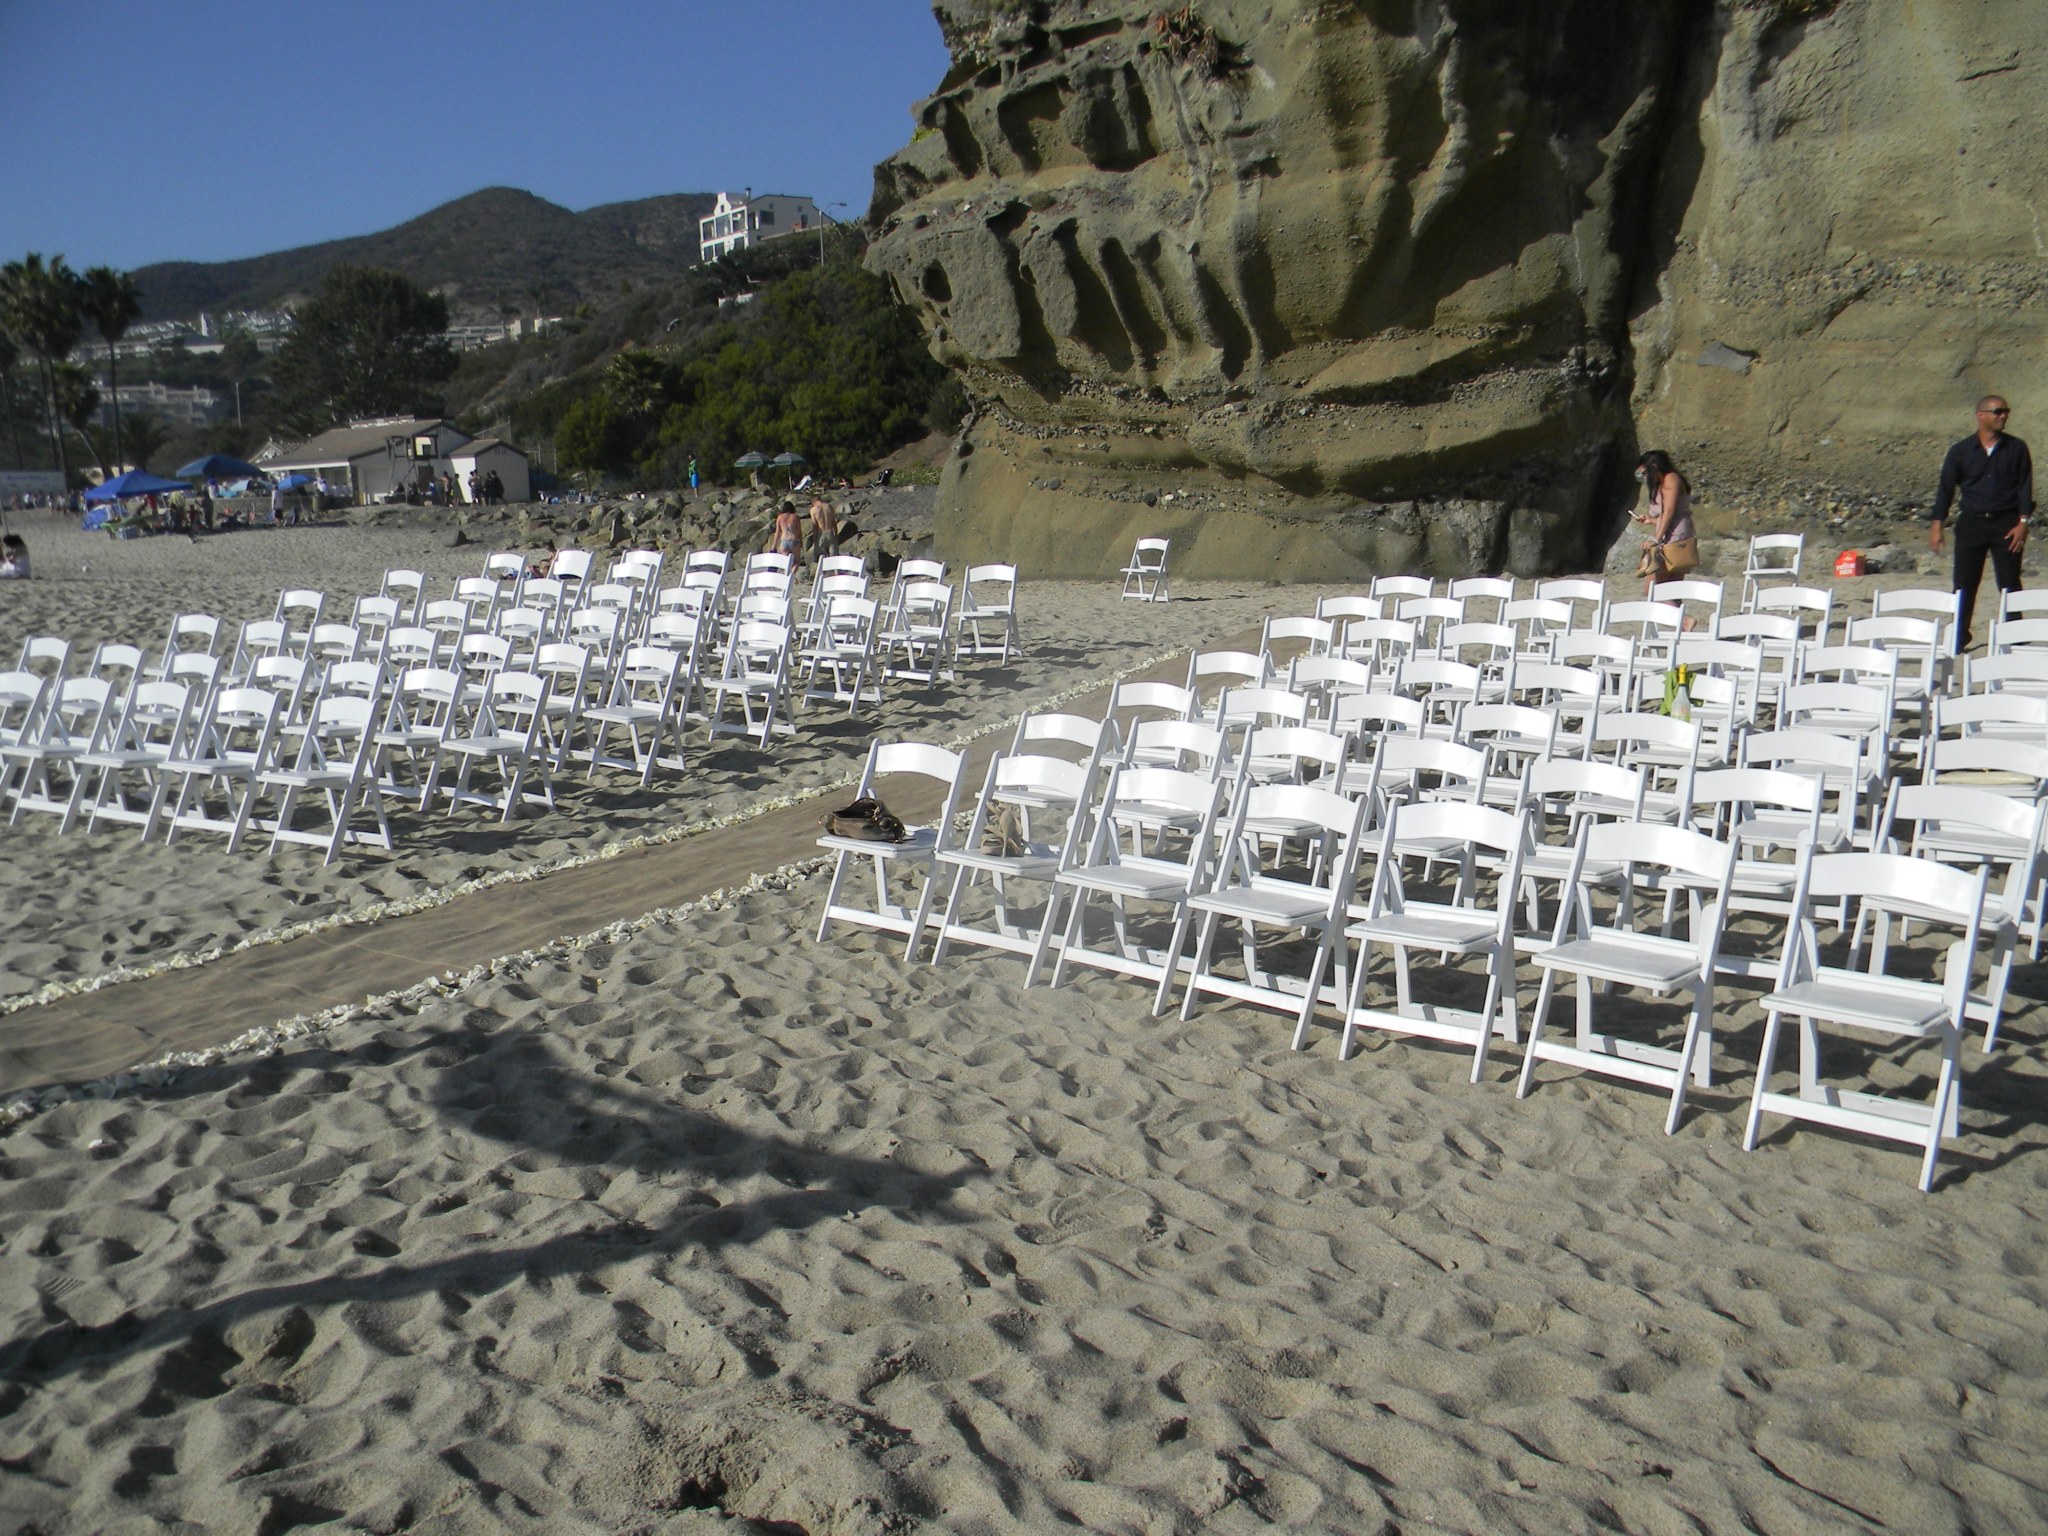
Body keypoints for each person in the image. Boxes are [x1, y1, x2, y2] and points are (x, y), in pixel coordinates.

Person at [1931, 394, 2033, 652]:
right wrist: (1937, 525)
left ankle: (2016, 635)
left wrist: (2023, 522)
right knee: (1964, 582)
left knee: (2010, 580)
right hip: (1972, 524)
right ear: (1981, 415)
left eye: (2006, 411)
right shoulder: (1961, 451)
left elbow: (2024, 487)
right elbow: (1946, 489)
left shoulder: (2016, 448)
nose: (2003, 416)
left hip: (2007, 524)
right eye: (1998, 411)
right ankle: (1959, 636)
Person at [1629, 449, 1696, 599]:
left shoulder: (1670, 478)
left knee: (1652, 590)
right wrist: (1651, 520)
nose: (1645, 478)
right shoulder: (1667, 481)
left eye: (1645, 473)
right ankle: (1681, 620)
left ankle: (1684, 622)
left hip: (1675, 537)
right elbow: (1671, 513)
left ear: (1654, 466)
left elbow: (1670, 510)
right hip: (1675, 533)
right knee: (1671, 589)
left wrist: (1655, 539)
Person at [808, 493, 840, 560]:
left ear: (813, 501)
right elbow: (833, 522)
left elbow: (815, 525)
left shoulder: (813, 510)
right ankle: (835, 570)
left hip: (821, 533)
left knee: (821, 557)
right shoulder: (829, 507)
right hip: (830, 531)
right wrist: (836, 533)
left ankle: (824, 570)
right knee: (834, 556)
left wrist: (814, 537)